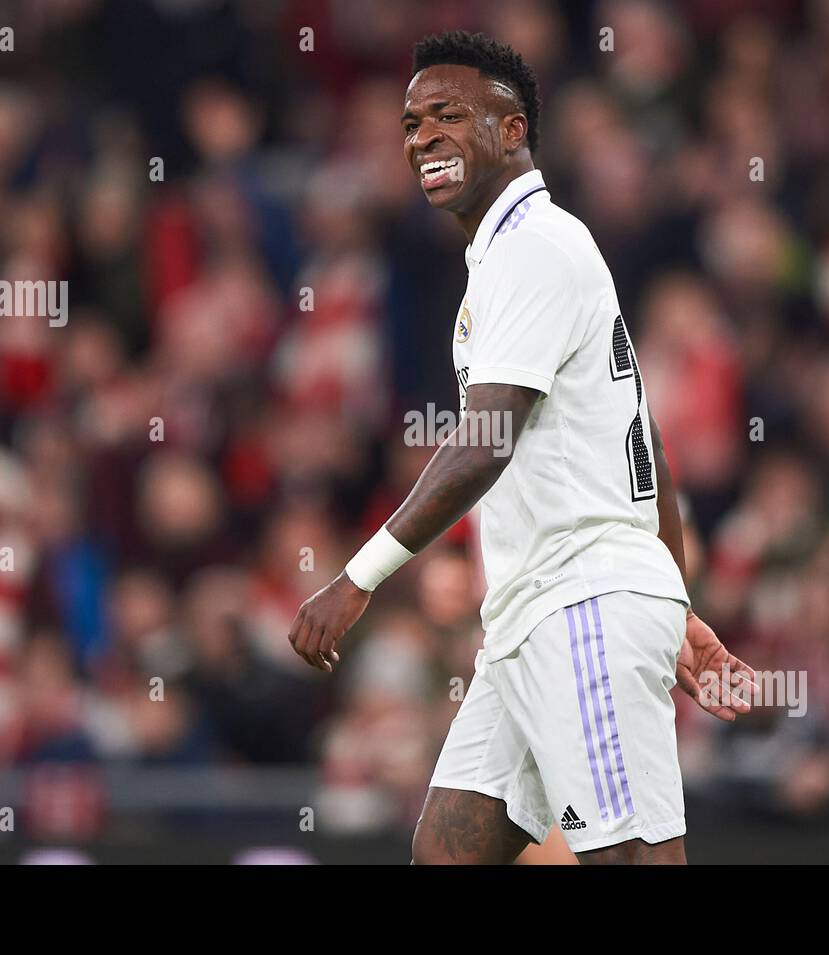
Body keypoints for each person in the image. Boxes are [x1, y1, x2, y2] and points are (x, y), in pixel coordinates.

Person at [287, 30, 757, 865]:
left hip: (579, 601)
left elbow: (486, 443)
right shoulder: (520, 255)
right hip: (533, 614)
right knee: (446, 853)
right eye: (409, 123)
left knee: (632, 859)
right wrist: (674, 603)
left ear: (512, 132)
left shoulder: (533, 248)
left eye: (448, 115)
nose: (422, 136)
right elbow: (642, 438)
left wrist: (356, 580)